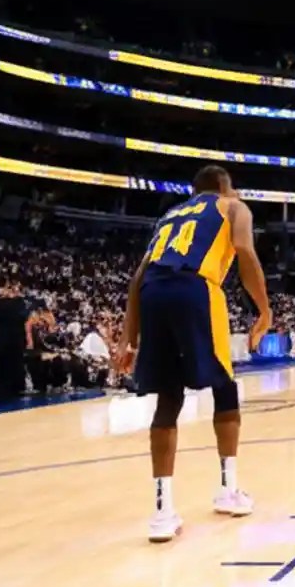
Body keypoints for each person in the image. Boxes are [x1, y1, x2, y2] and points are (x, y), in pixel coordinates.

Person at [115, 166, 272, 543]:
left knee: (168, 398)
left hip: (153, 292)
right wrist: (264, 310)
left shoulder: (169, 216)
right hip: (196, 287)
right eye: (232, 186)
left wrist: (128, 339)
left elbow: (138, 277)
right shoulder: (233, 207)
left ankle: (162, 513)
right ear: (223, 187)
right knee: (225, 389)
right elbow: (245, 251)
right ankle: (228, 490)